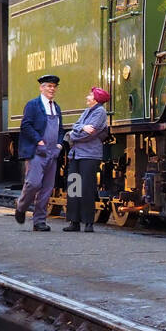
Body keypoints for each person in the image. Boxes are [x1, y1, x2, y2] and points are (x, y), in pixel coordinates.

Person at [15, 74, 63, 232]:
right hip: (37, 152)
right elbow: (26, 125)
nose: (52, 89)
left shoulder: (56, 108)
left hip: (52, 153)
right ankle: (21, 207)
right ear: (41, 88)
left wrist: (59, 144)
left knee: (47, 189)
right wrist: (39, 141)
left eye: (54, 87)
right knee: (33, 183)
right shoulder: (33, 105)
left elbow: (60, 129)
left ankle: (39, 221)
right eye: (49, 86)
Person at [63, 87, 110, 232]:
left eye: (89, 95)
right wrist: (81, 127)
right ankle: (74, 221)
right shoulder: (87, 111)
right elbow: (75, 126)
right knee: (74, 187)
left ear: (96, 98)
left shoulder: (100, 112)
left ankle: (89, 223)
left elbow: (90, 134)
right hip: (77, 154)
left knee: (87, 188)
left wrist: (72, 135)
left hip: (89, 155)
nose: (87, 97)